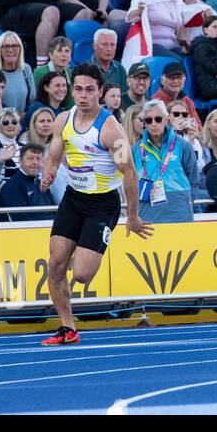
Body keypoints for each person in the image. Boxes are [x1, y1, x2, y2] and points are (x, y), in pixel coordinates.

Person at [38, 64, 149, 345]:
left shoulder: (111, 130)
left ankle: (89, 243)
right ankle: (67, 327)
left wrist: (132, 216)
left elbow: (131, 173)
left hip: (102, 203)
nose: (83, 95)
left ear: (100, 91)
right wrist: (49, 171)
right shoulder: (63, 120)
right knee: (55, 263)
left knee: (83, 274)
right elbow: (54, 153)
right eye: (78, 89)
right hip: (74, 198)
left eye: (89, 90)